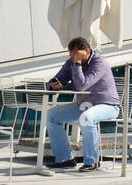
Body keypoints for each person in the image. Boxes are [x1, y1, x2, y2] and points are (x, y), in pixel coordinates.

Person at [44, 36, 121, 172]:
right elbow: (54, 80)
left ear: (86, 51)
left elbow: (81, 86)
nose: (73, 58)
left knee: (87, 118)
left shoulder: (99, 62)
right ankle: (65, 159)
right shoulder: (71, 62)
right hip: (83, 105)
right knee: (52, 115)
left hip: (108, 105)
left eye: (75, 55)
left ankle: (91, 161)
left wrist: (77, 64)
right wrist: (52, 86)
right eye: (71, 55)